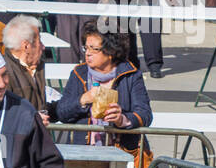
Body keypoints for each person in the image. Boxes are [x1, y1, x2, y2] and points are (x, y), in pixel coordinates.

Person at [57, 23, 153, 154]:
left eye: (94, 49)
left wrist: (122, 119)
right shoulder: (79, 73)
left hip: (121, 151)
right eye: (86, 48)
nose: (88, 53)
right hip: (82, 153)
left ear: (111, 52)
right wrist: (83, 100)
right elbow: (61, 112)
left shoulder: (131, 75)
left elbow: (145, 114)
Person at [1, 14, 55, 123]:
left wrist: (78, 103)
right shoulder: (2, 73)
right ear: (26, 46)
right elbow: (1, 114)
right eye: (39, 41)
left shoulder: (37, 67)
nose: (43, 47)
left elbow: (41, 108)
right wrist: (33, 119)